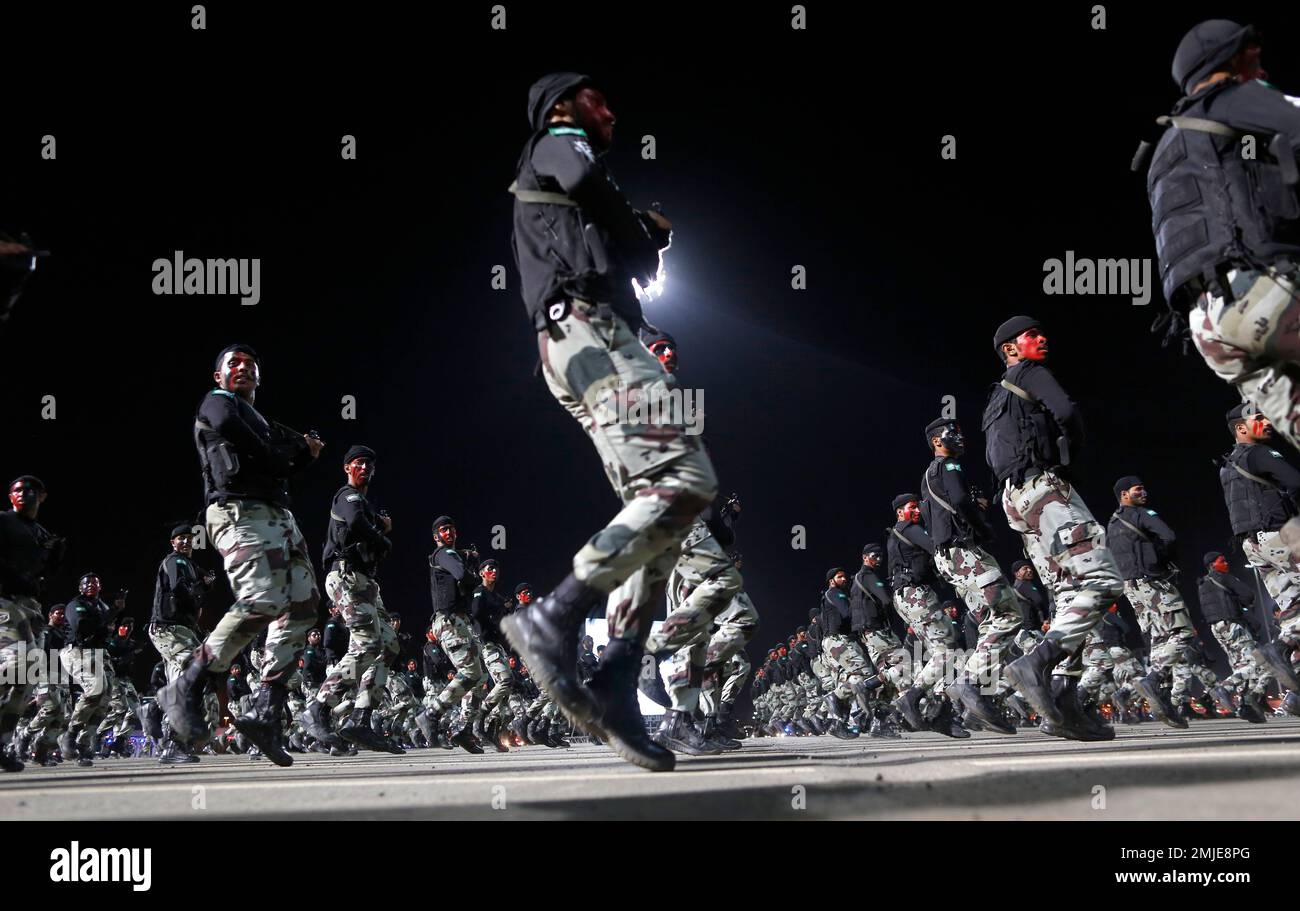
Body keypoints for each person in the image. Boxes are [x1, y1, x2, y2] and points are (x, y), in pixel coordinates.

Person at [505, 72, 715, 772]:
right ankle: (556, 615)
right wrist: (637, 228)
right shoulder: (557, 143)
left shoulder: (570, 175)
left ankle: (618, 681)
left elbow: (621, 245)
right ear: (562, 108)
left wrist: (639, 240)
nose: (612, 110)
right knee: (685, 478)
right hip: (588, 332)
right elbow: (591, 186)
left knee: (657, 519)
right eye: (598, 99)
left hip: (589, 335)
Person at [1144, 21, 1300, 493]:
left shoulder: (1163, 150)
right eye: (1251, 53)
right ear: (1228, 61)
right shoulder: (1232, 99)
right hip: (1260, 295)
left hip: (1210, 328)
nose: (1260, 61)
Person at [156, 344, 324, 767]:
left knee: (303, 607)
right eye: (234, 363)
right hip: (238, 511)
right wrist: (288, 451)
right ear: (219, 376)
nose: (244, 367)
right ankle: (189, 686)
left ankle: (267, 713)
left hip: (279, 516)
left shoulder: (262, 421)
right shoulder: (218, 403)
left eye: (251, 365)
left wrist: (300, 452)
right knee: (263, 599)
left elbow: (281, 465)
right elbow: (260, 452)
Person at [987, 316, 1124, 741]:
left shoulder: (994, 398)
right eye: (1032, 335)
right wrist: (1068, 454)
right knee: (1103, 580)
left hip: (1015, 500)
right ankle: (1038, 663)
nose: (1042, 338)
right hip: (1044, 489)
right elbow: (1067, 412)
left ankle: (1063, 701)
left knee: (1068, 594)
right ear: (1011, 348)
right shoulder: (1033, 373)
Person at [299, 444, 401, 754]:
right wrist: (382, 535)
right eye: (358, 463)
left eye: (369, 464)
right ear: (347, 468)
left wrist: (379, 530)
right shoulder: (348, 496)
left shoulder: (366, 505)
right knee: (368, 645)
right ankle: (318, 707)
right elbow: (356, 524)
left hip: (367, 583)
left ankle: (360, 717)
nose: (364, 468)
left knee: (389, 645)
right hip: (346, 577)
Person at [920, 416, 1019, 734]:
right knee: (1007, 614)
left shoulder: (927, 476)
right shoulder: (949, 467)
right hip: (964, 552)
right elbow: (960, 501)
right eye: (952, 433)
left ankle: (972, 708)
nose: (959, 437)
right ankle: (971, 685)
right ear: (937, 441)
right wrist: (981, 525)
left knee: (989, 621)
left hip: (948, 557)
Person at [1215, 404, 1300, 694]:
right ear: (1241, 428)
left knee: (1292, 610)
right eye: (1259, 418)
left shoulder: (1228, 466)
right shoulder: (1260, 454)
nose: (1267, 422)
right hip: (1282, 536)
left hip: (1253, 546)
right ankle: (1280, 647)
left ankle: (1294, 694)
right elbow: (1295, 483)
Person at [0, 475, 64, 772]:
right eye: (18, 490)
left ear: (43, 496)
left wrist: (50, 561)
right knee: (17, 664)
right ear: (10, 496)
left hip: (31, 608)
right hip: (4, 601)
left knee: (24, 681)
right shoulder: (3, 521)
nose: (24, 493)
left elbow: (40, 578)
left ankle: (2, 743)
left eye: (31, 490)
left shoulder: (41, 533)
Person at [149, 524, 216, 762]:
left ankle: (173, 745)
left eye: (189, 538)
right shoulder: (175, 561)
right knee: (193, 666)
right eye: (181, 538)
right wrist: (201, 586)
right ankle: (155, 710)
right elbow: (181, 589)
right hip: (168, 628)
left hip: (182, 630)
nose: (186, 542)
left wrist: (206, 584)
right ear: (173, 543)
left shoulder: (191, 565)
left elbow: (198, 589)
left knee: (182, 683)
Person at [1198, 551, 1273, 722]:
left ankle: (1246, 706)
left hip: (1217, 628)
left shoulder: (1202, 584)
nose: (1226, 563)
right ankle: (1224, 688)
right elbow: (1248, 595)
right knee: (1259, 662)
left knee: (1239, 666)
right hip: (1232, 625)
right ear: (1212, 565)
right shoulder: (1225, 578)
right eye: (1222, 561)